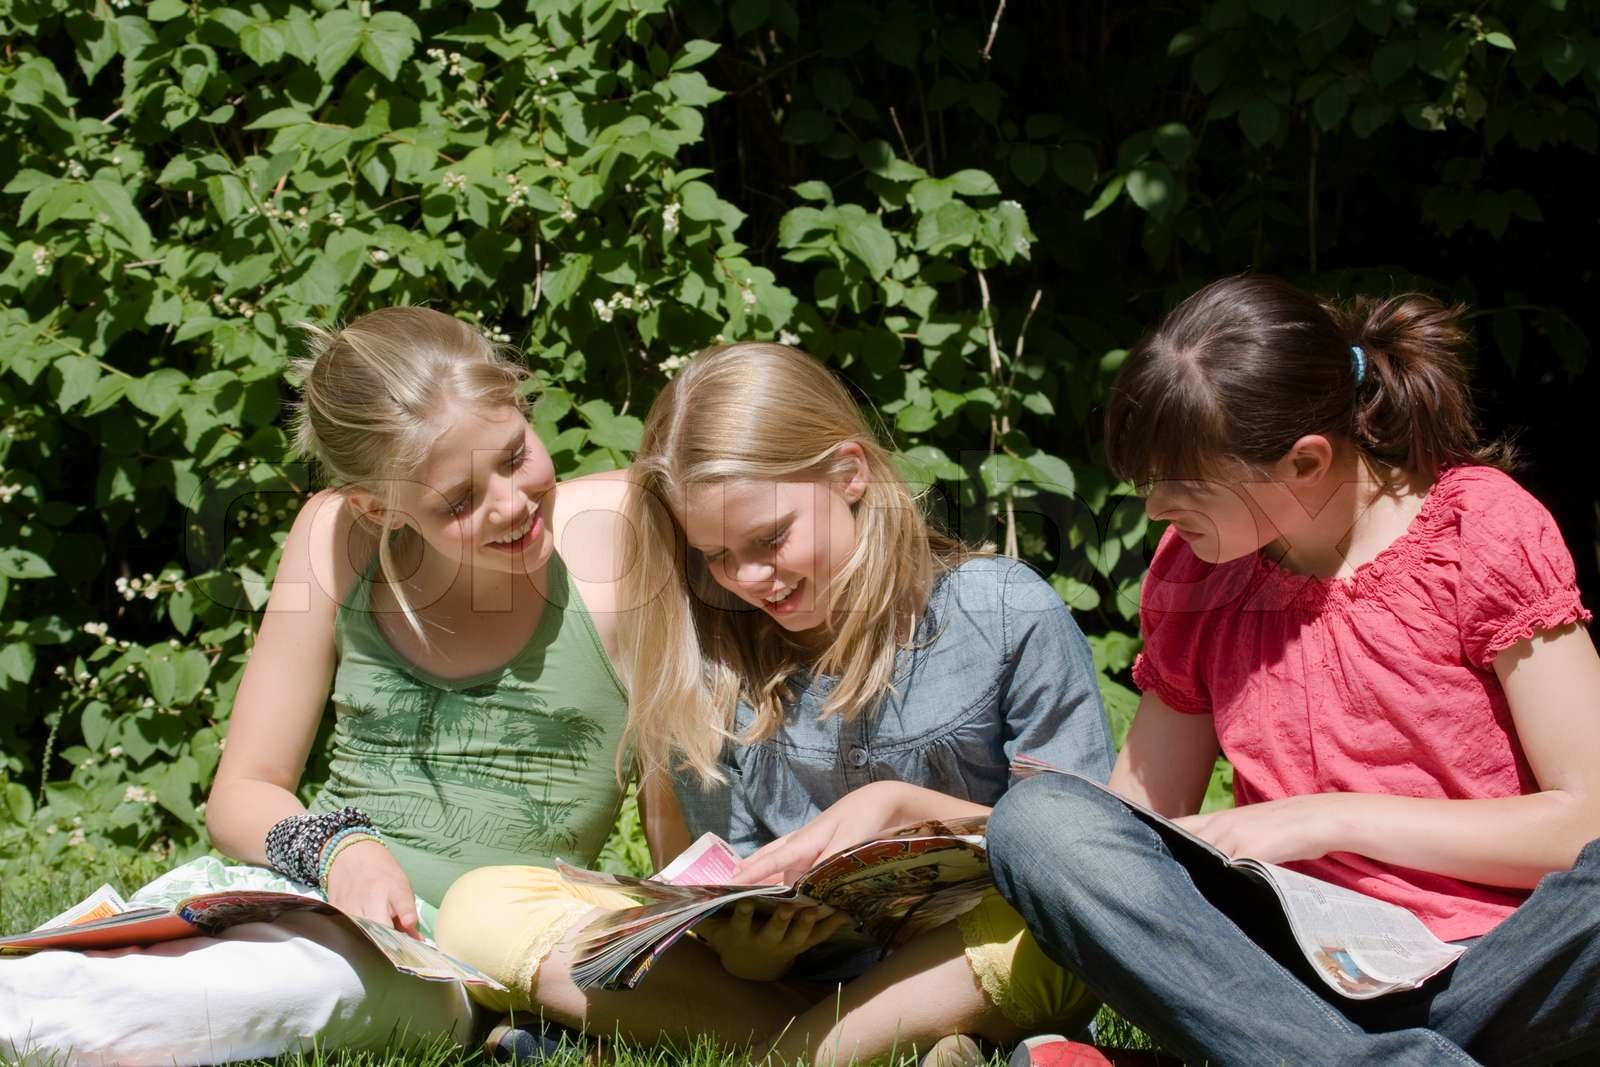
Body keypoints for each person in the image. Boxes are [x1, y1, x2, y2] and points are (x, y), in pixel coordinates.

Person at [437, 342, 1115, 1065]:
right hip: (796, 988)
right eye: (718, 556)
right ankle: (857, 1048)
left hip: (980, 956)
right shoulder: (715, 656)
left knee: (1055, 930)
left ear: (850, 473)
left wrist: (905, 809)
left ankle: (790, 1049)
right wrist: (746, 955)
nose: (750, 578)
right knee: (482, 904)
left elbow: (1095, 859)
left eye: (771, 538)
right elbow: (731, 879)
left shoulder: (1005, 611)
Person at [986, 275, 1600, 1066]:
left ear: (1305, 461)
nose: (1155, 512)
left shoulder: (1480, 527)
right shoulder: (1198, 570)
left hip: (1498, 965)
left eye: (1186, 487)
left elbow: (1584, 822)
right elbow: (1145, 819)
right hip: (1277, 977)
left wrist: (1328, 817)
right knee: (1041, 824)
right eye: (1148, 484)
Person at [0, 307, 640, 1065]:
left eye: (515, 453)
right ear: (378, 507)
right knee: (92, 967)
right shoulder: (336, 536)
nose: (510, 501)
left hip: (455, 950)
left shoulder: (618, 532)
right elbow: (244, 788)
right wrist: (339, 850)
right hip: (312, 889)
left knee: (261, 994)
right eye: (458, 501)